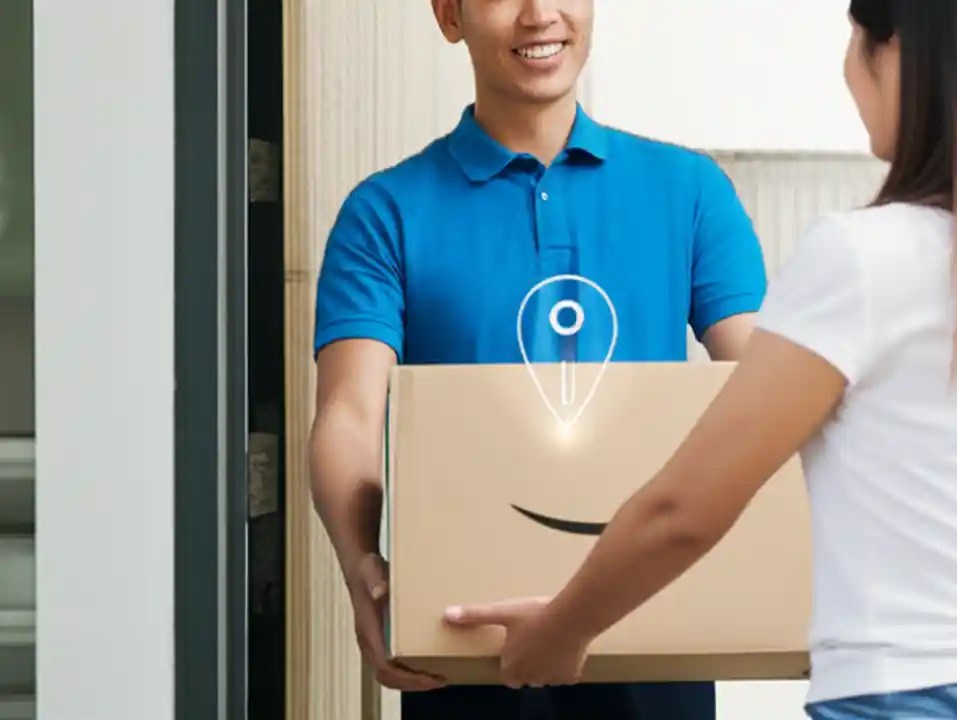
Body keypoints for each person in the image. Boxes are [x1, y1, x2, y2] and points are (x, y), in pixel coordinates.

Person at [445, 1, 957, 718]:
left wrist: (563, 629)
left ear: (907, 57)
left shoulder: (863, 258)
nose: (849, 70)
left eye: (858, 41)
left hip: (920, 696)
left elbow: (684, 510)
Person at [306, 0, 766, 717]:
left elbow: (764, 388)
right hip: (467, 638)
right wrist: (360, 565)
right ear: (449, 14)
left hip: (651, 628)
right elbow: (349, 412)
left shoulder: (690, 191)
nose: (539, 15)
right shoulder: (385, 211)